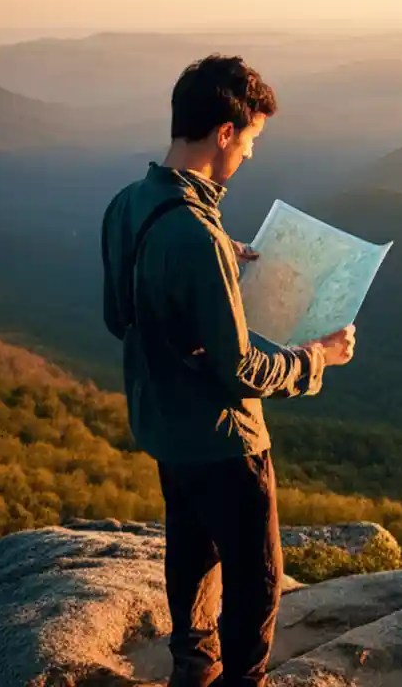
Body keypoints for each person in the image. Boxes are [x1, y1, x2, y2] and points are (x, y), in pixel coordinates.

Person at [100, 54, 356, 687]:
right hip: (226, 442)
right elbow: (240, 369)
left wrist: (208, 282)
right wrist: (315, 358)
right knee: (257, 583)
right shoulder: (198, 236)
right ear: (223, 133)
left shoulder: (129, 205)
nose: (250, 153)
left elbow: (119, 316)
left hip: (165, 429)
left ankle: (194, 669)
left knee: (190, 556)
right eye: (250, 139)